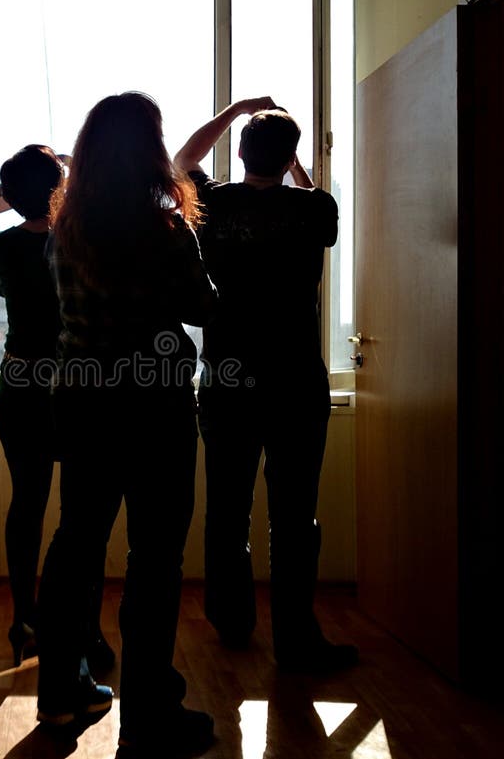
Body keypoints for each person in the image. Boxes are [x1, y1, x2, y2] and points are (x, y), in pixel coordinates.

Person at [36, 92, 217, 757]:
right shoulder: (167, 228)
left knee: (76, 541)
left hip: (82, 398)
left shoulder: (65, 228)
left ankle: (59, 693)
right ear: (150, 150)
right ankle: (147, 717)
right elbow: (203, 307)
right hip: (155, 405)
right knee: (155, 559)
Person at [174, 100, 359, 673]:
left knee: (228, 507)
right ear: (287, 159)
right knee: (295, 515)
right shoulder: (314, 208)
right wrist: (296, 169)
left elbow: (182, 158)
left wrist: (238, 110)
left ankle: (232, 622)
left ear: (240, 153)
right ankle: (296, 639)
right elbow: (313, 207)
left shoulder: (215, 204)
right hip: (295, 379)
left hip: (229, 378)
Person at [0, 145, 114, 675]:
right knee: (83, 514)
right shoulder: (80, 240)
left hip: (20, 382)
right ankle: (87, 628)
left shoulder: (5, 247)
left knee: (26, 503)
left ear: (10, 196)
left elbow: (5, 285)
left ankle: (24, 616)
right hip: (76, 380)